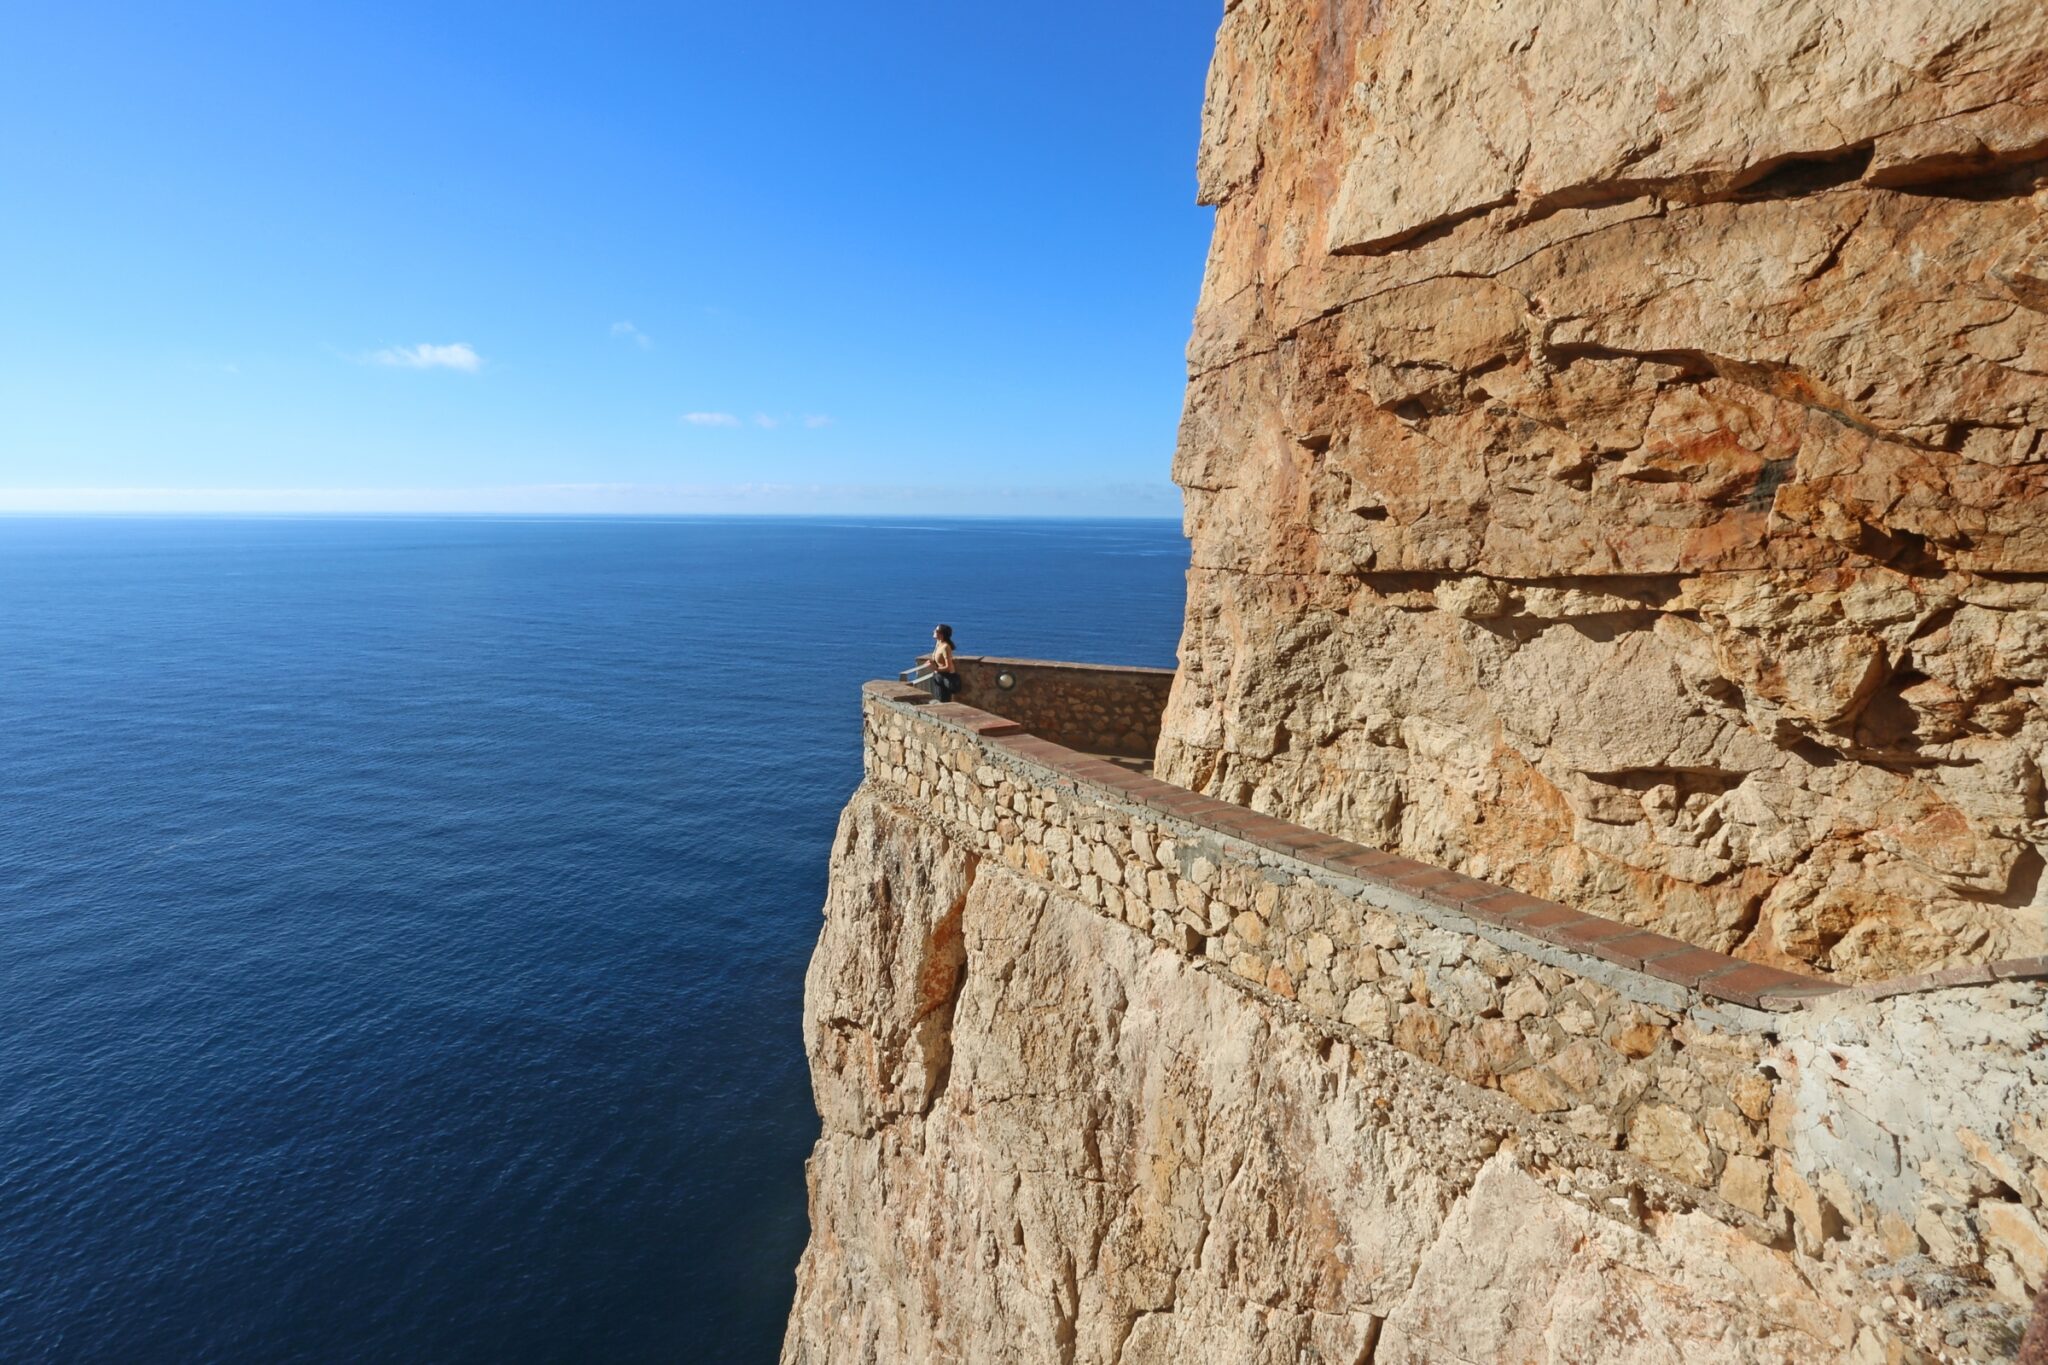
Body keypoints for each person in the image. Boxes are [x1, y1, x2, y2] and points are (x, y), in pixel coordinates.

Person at [924, 624, 960, 702]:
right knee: (938, 699)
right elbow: (937, 658)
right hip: (939, 676)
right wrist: (932, 661)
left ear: (941, 634)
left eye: (936, 630)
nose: (933, 631)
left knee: (943, 701)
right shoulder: (938, 643)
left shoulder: (946, 647)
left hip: (947, 677)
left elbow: (948, 667)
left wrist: (935, 668)